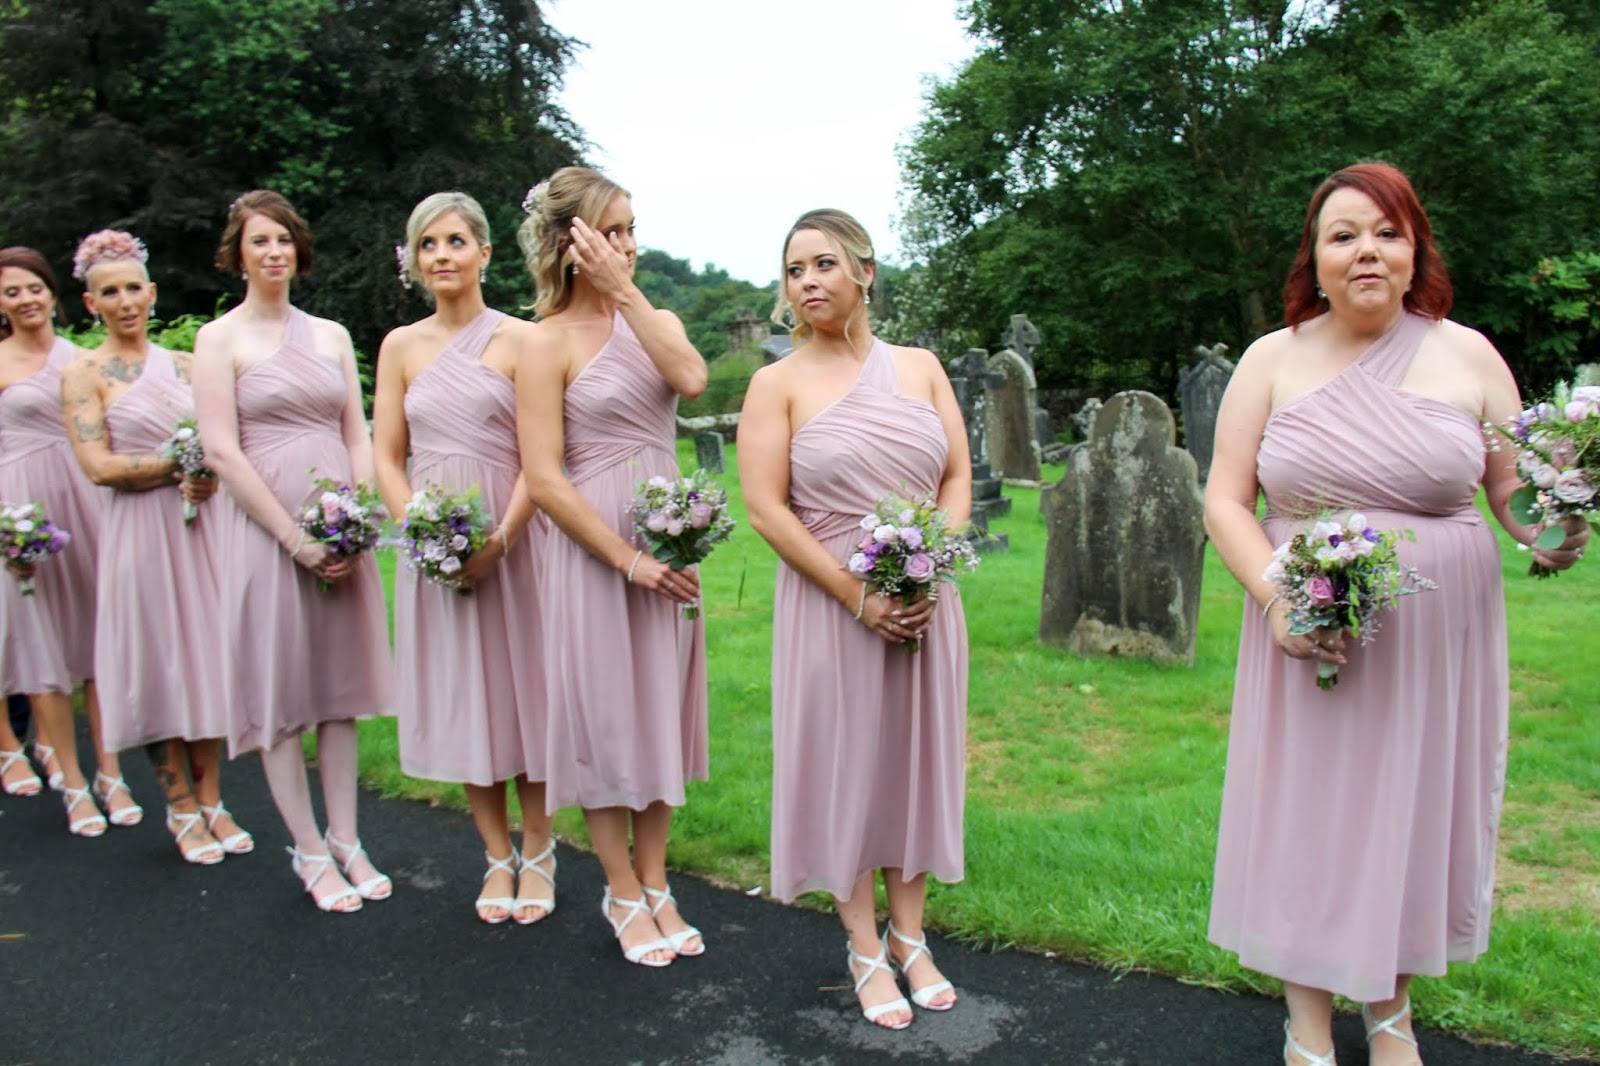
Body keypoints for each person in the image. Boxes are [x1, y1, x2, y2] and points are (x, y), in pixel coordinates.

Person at [1204, 162, 1590, 1066]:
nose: (1365, 251)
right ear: (1317, 258)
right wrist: (1278, 602)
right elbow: (1226, 500)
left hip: (1434, 639)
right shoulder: (1272, 359)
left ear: (1416, 250)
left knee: (1409, 811)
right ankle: (1306, 1020)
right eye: (1343, 235)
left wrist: (1552, 528)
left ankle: (1391, 1012)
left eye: (1386, 232)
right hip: (1312, 621)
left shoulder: (1470, 354)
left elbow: (1513, 490)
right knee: (1308, 812)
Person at [737, 209, 970, 1030]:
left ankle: (912, 932)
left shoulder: (921, 368)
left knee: (911, 764)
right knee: (845, 766)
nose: (808, 282)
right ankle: (863, 942)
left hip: (925, 601)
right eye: (794, 269)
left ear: (866, 272)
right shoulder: (777, 384)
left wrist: (927, 563)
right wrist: (854, 592)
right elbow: (766, 508)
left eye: (824, 263)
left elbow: (958, 480)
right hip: (831, 601)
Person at [515, 166, 708, 966]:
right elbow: (544, 476)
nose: (628, 244)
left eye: (632, 228)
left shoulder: (652, 316)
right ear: (572, 242)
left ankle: (657, 881)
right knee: (602, 724)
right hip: (599, 556)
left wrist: (625, 292)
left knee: (658, 715)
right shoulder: (543, 342)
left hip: (670, 544)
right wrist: (626, 560)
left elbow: (691, 379)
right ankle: (620, 886)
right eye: (612, 231)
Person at [193, 191, 393, 912]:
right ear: (238, 254)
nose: (273, 251)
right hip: (265, 533)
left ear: (298, 250)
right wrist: (294, 538)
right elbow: (220, 448)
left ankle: (347, 838)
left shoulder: (333, 335)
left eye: (283, 239)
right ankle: (308, 849)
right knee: (282, 697)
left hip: (340, 529)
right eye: (259, 242)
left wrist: (357, 513)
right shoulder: (218, 341)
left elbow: (356, 432)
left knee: (337, 697)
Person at [373, 191, 553, 924]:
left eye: (454, 241)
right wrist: (420, 529)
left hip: (515, 542)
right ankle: (495, 855)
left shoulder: (522, 341)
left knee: (523, 698)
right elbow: (386, 455)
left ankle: (539, 851)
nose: (441, 255)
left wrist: (499, 540)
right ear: (415, 262)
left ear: (483, 251)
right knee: (464, 700)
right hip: (435, 552)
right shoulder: (400, 347)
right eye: (427, 245)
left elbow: (543, 458)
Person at [61, 229, 251, 864]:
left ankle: (214, 799)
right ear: (90, 304)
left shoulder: (190, 367)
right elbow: (99, 466)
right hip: (138, 540)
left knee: (205, 667)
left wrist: (205, 470)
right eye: (108, 292)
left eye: (132, 288)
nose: (123, 301)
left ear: (152, 292)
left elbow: (224, 445)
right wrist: (177, 463)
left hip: (200, 533)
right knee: (157, 668)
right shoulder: (83, 375)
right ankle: (178, 807)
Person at [0, 246, 136, 833]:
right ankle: (75, 786)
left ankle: (112, 772)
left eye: (33, 287)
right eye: (11, 292)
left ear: (53, 295)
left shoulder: (83, 360)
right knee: (42, 649)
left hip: (84, 501)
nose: (25, 299)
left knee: (96, 642)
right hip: (23, 506)